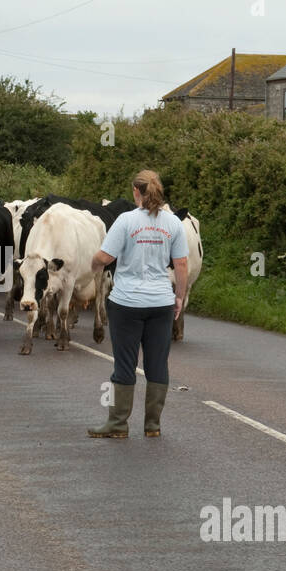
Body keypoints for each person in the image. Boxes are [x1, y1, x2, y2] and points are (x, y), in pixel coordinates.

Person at [87, 170, 188, 438]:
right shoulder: (173, 223)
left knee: (124, 363)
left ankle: (118, 424)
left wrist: (93, 264)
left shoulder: (125, 221)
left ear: (136, 191)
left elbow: (105, 256)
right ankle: (152, 426)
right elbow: (181, 264)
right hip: (161, 303)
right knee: (157, 363)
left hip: (127, 303)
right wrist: (179, 296)